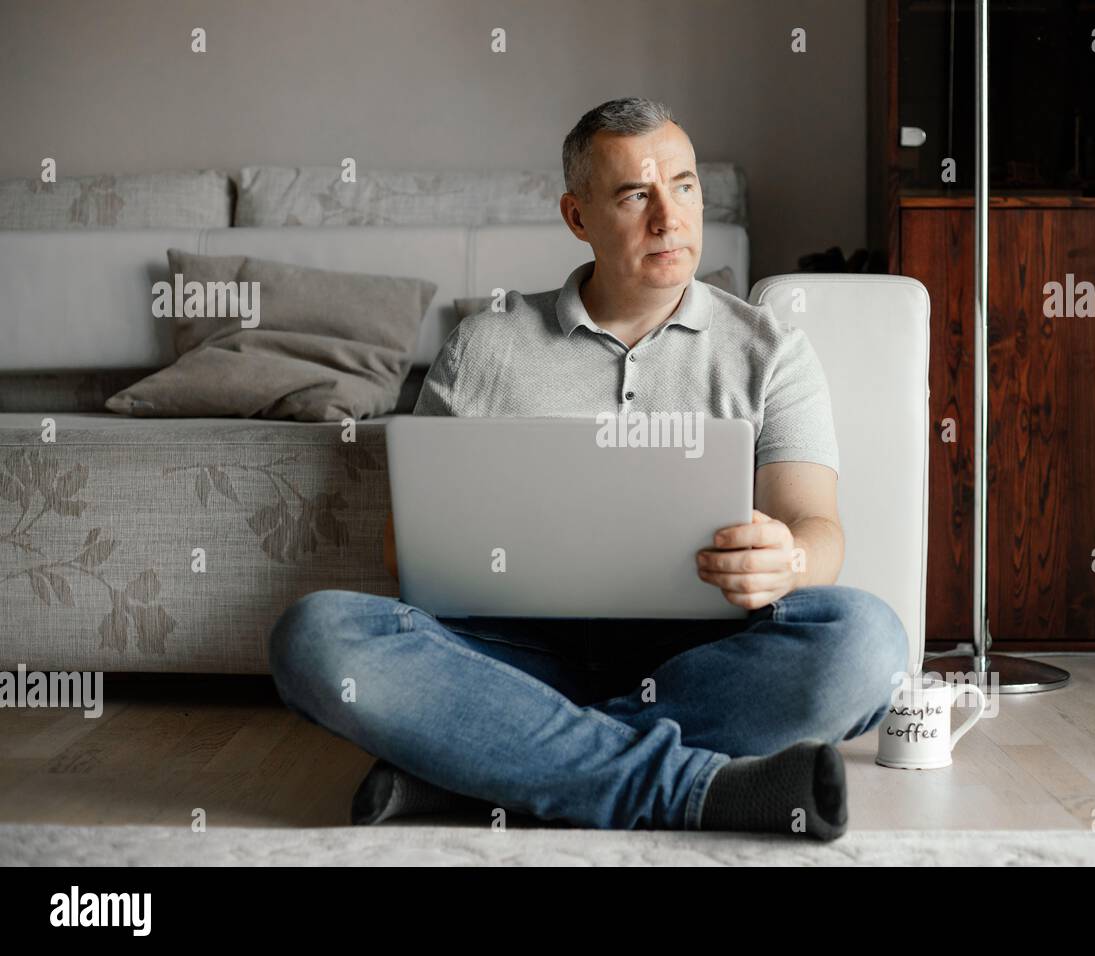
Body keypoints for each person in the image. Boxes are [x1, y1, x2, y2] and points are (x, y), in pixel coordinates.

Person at [267, 97, 910, 841]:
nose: (670, 218)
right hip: (509, 660)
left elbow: (818, 529)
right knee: (315, 635)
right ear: (578, 218)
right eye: (636, 195)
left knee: (869, 643)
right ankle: (693, 791)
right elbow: (400, 549)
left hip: (705, 662)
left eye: (685, 185)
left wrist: (787, 559)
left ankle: (481, 766)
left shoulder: (769, 350)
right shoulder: (487, 346)